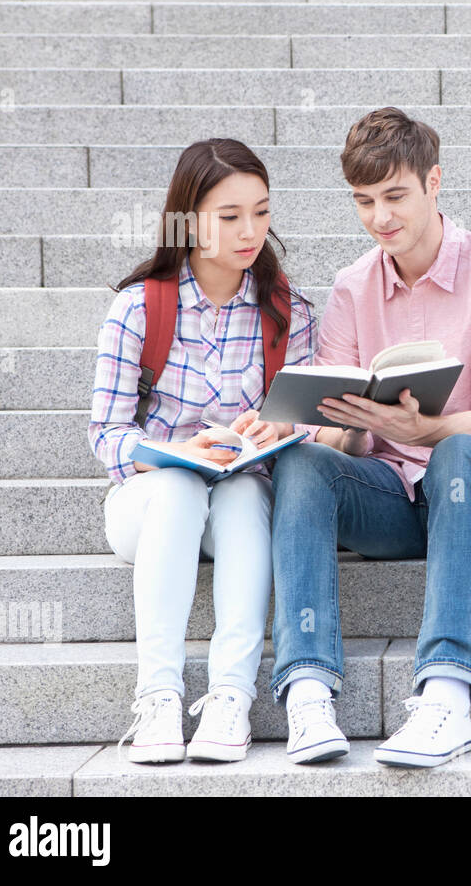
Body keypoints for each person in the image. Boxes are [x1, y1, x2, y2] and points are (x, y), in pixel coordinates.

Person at [269, 107, 471, 768]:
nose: (380, 218)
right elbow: (332, 420)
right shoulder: (351, 287)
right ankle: (308, 691)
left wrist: (429, 427)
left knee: (456, 452)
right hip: (396, 491)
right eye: (363, 202)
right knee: (303, 463)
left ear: (434, 183)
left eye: (395, 196)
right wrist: (328, 427)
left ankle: (447, 697)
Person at [90, 138, 316, 764]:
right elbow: (106, 436)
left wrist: (271, 433)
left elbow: (310, 421)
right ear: (189, 219)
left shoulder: (287, 312)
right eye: (230, 216)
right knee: (179, 485)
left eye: (262, 212)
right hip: (151, 506)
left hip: (240, 498)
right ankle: (158, 696)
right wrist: (178, 450)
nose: (252, 232)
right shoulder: (139, 307)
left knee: (245, 493)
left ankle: (230, 698)